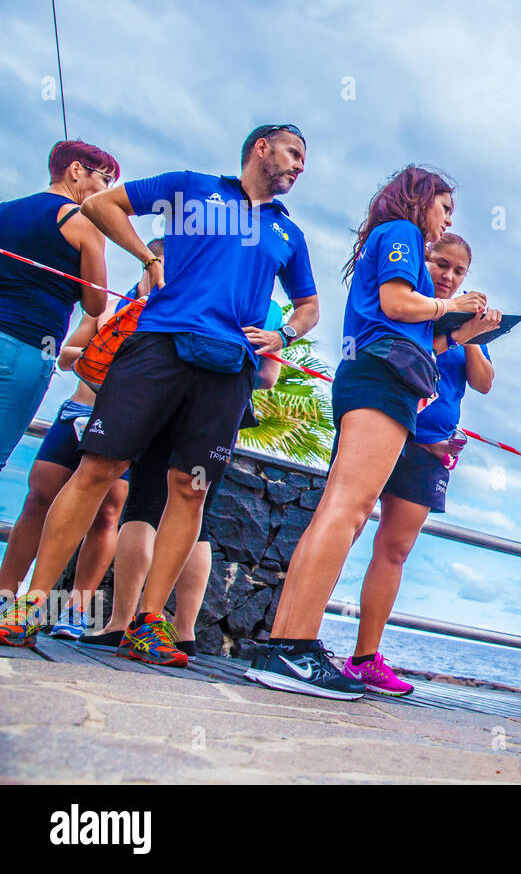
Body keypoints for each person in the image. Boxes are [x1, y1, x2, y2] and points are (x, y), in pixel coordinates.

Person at [0, 125, 320, 668]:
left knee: (188, 491)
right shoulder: (192, 187)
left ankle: (149, 625)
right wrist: (148, 260)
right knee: (98, 468)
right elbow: (104, 204)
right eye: (294, 153)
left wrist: (285, 334)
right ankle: (30, 604)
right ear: (261, 148)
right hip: (158, 347)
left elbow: (309, 306)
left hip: (228, 370)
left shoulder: (289, 234)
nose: (300, 166)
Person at [248, 165, 484, 699]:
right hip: (383, 381)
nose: (447, 220)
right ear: (421, 199)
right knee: (349, 510)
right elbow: (398, 304)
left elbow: (403, 322)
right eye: (445, 207)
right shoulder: (401, 233)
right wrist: (453, 304)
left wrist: (463, 331)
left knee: (339, 508)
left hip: (372, 372)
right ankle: (295, 651)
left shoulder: (384, 238)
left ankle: (284, 644)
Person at [82, 282, 286, 657]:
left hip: (163, 390)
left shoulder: (186, 285)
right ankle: (182, 630)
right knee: (197, 514)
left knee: (144, 504)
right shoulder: (269, 309)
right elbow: (268, 377)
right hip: (221, 404)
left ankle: (121, 622)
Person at [341, 232, 500, 696]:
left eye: (458, 271)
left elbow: (484, 382)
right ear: (422, 260)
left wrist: (474, 335)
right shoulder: (410, 305)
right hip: (383, 426)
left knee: (395, 550)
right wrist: (450, 322)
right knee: (345, 525)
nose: (448, 276)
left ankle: (365, 658)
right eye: (440, 264)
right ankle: (298, 633)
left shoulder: (463, 315)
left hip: (429, 449)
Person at [0, 258, 141, 633]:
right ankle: (6, 594)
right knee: (38, 499)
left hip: (124, 420)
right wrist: (108, 354)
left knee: (107, 513)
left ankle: (77, 610)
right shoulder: (111, 307)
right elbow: (65, 356)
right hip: (77, 409)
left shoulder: (171, 314)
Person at [0, 140, 114, 476]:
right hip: (27, 346)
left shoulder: (5, 208)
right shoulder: (85, 222)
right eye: (106, 179)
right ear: (76, 170)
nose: (107, 189)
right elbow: (95, 303)